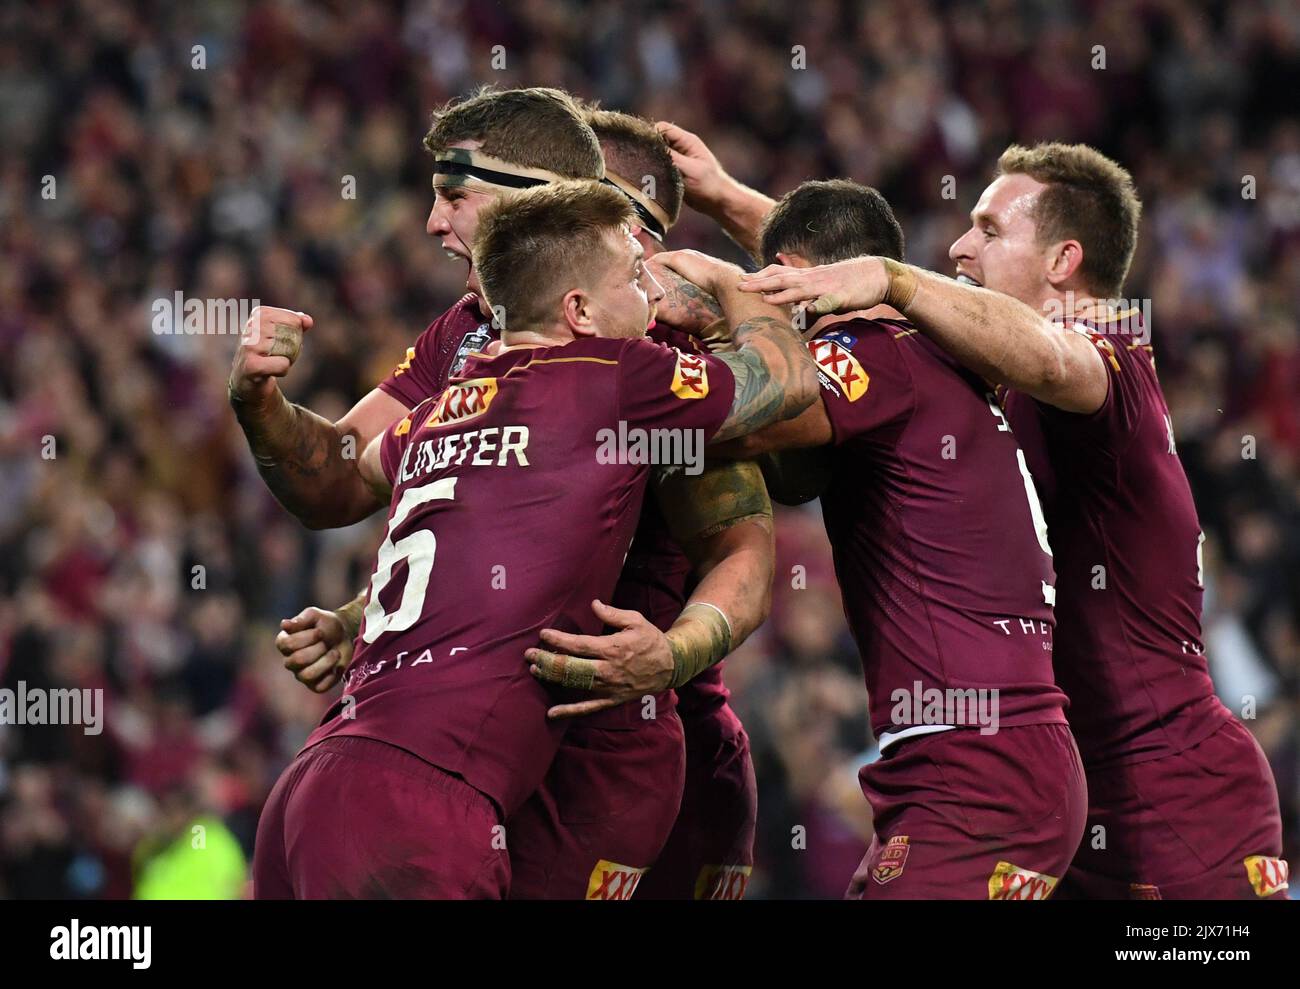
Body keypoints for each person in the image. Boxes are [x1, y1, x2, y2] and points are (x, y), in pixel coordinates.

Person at [739, 144, 1289, 900]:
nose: (961, 247)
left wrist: (897, 277)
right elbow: (848, 270)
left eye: (991, 230)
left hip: (1178, 800)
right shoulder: (990, 363)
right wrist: (728, 201)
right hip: (1055, 798)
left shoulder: (1111, 362)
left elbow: (1049, 359)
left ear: (1064, 261)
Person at [263, 97, 776, 898]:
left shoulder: (649, 350)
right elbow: (394, 496)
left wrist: (674, 651)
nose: (434, 224)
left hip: (615, 738)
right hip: (474, 747)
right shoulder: (470, 334)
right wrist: (364, 611)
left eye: (456, 195)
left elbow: (744, 545)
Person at [567, 177, 1088, 899]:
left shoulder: (871, 349)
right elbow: (796, 472)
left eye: (771, 279)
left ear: (794, 274)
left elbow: (745, 412)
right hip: (993, 753)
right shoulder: (930, 353)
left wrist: (720, 303)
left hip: (975, 768)